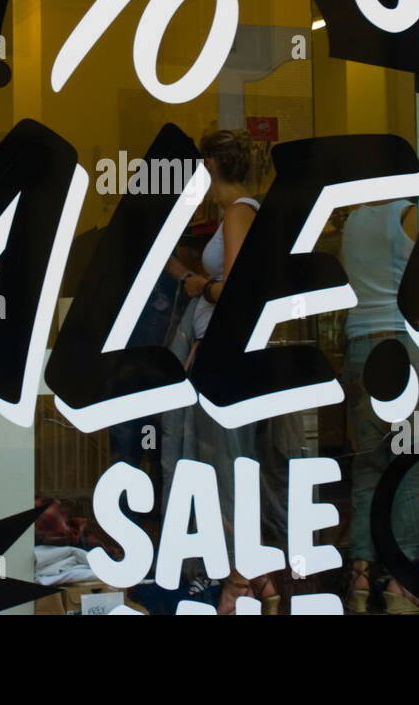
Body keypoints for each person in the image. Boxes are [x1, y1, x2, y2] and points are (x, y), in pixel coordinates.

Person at [166, 128, 299, 614]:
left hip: (226, 353)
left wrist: (198, 284)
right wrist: (188, 277)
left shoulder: (239, 211)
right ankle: (256, 581)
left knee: (225, 465)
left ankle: (238, 582)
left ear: (209, 167)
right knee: (229, 463)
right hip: (224, 351)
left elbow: (240, 288)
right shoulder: (239, 212)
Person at [339, 198, 419, 613]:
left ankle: (359, 573)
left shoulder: (353, 219)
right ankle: (402, 580)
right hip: (398, 343)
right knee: (405, 463)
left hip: (358, 346)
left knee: (367, 462)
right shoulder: (408, 214)